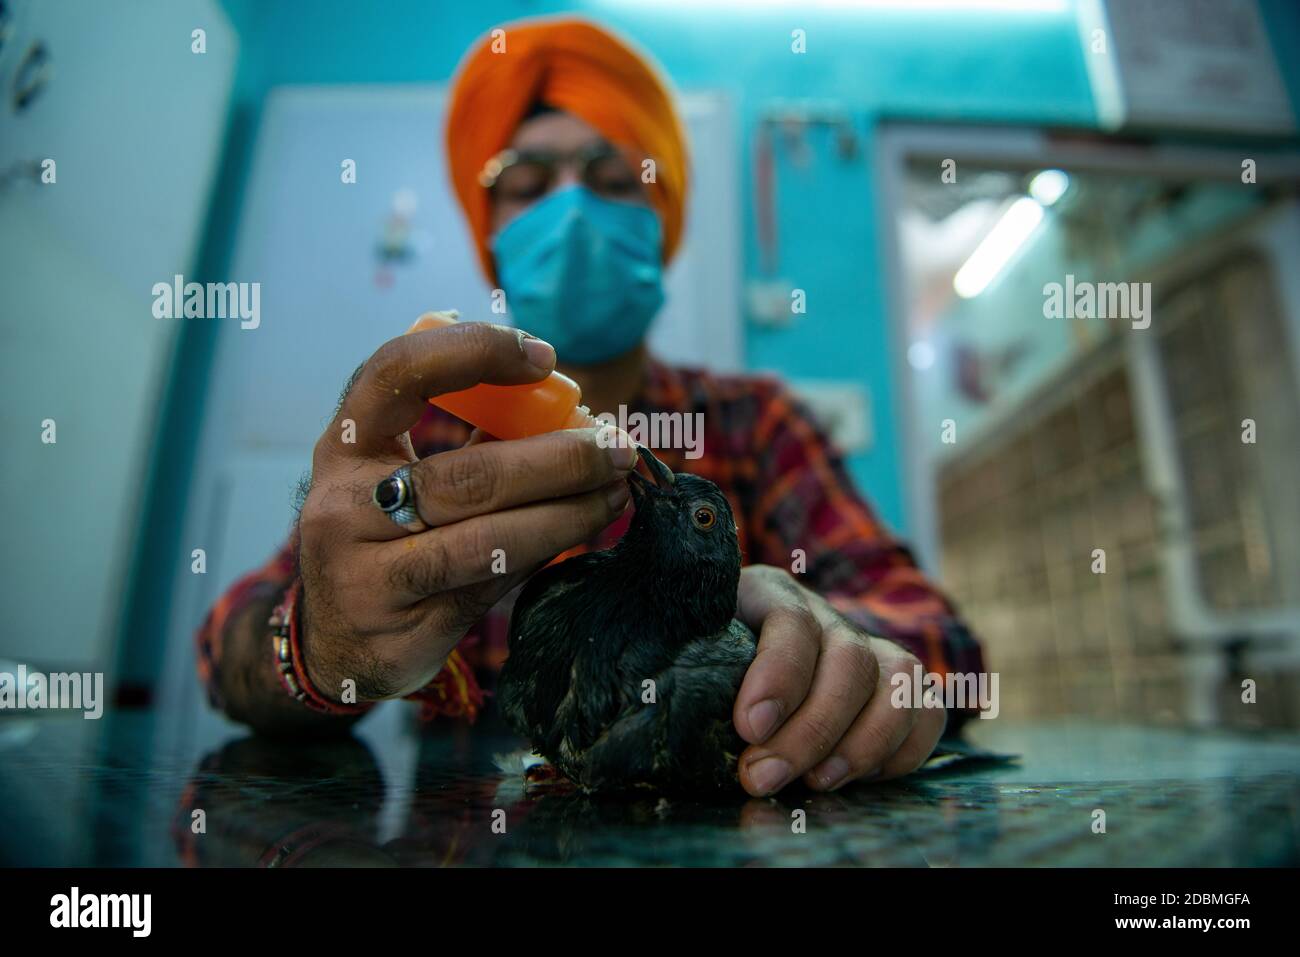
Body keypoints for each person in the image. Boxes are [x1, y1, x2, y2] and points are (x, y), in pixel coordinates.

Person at [196, 17, 984, 797]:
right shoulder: (422, 443)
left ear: (663, 222)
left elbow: (942, 640)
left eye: (613, 182)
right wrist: (320, 641)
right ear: (491, 231)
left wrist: (818, 643)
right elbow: (227, 645)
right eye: (529, 185)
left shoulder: (755, 421)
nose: (571, 210)